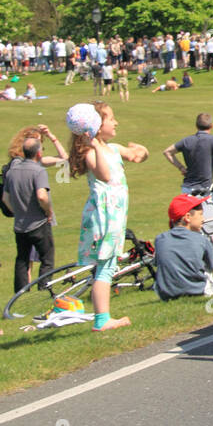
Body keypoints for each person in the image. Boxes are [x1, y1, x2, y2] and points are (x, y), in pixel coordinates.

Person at [66, 102, 148, 332]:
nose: (116, 122)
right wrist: (93, 142)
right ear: (96, 125)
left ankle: (103, 317)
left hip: (114, 215)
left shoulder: (111, 148)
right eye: (111, 119)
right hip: (104, 216)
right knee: (105, 267)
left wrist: (141, 151)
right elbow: (103, 174)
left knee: (109, 264)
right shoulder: (92, 151)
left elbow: (136, 155)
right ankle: (102, 319)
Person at [4, 136, 56, 295]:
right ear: (38, 154)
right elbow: (42, 196)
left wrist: (17, 211)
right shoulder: (38, 171)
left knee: (22, 260)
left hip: (20, 225)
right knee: (47, 259)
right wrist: (48, 211)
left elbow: (5, 198)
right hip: (39, 223)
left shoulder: (12, 171)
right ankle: (44, 290)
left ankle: (20, 294)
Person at [153, 194, 213, 301]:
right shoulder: (201, 239)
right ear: (187, 217)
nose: (203, 219)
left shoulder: (160, 239)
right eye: (201, 214)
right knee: (207, 266)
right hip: (197, 291)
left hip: (166, 295)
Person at [163, 113, 213, 196]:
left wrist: (181, 167)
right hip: (204, 190)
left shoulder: (186, 141)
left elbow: (167, 152)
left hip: (187, 189)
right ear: (211, 126)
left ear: (196, 126)